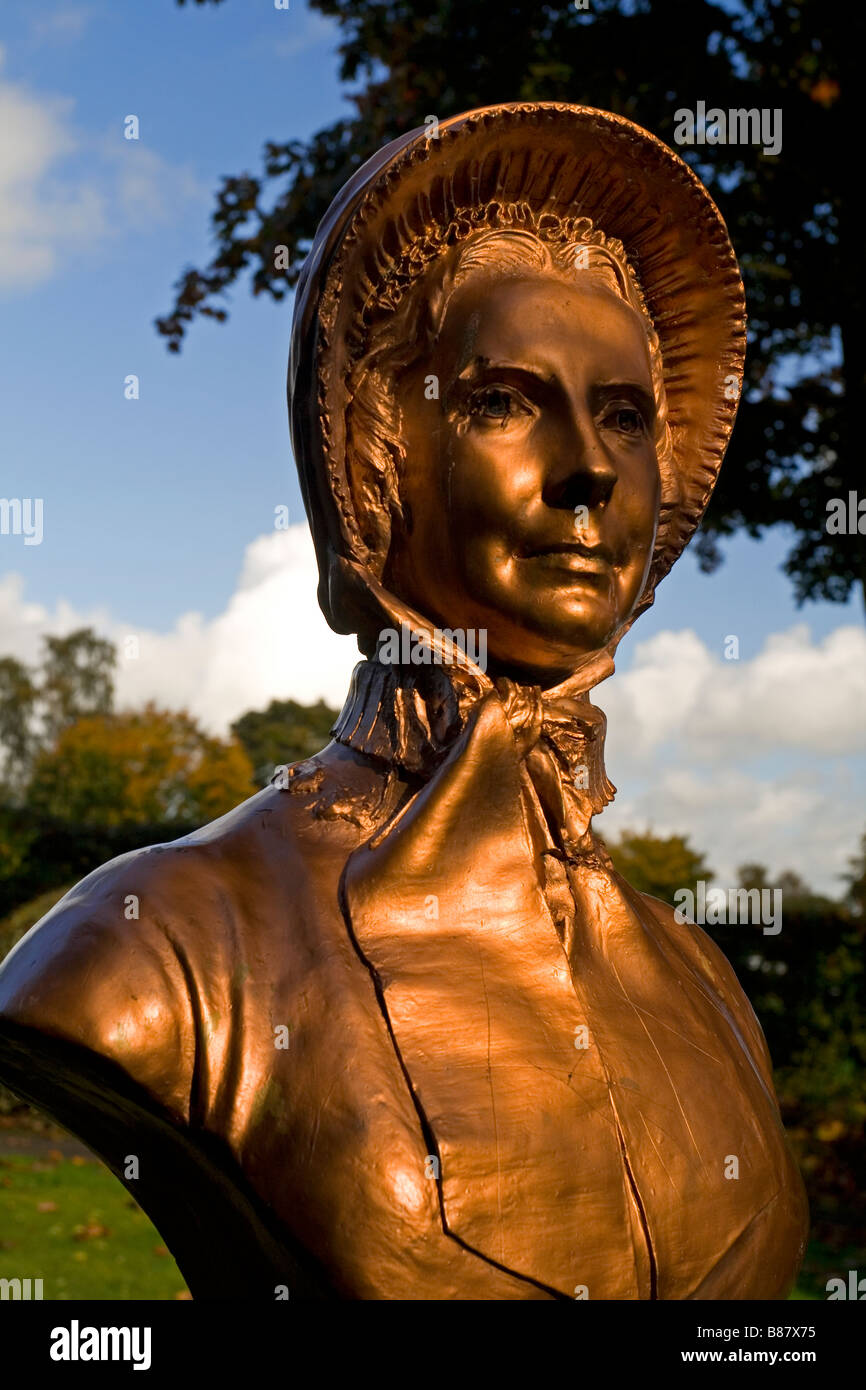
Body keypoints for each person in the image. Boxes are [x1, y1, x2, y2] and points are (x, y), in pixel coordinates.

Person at [0, 102, 809, 1300]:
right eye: (502, 401)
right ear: (370, 470)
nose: (588, 466)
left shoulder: (703, 983)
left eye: (625, 415)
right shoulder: (156, 959)